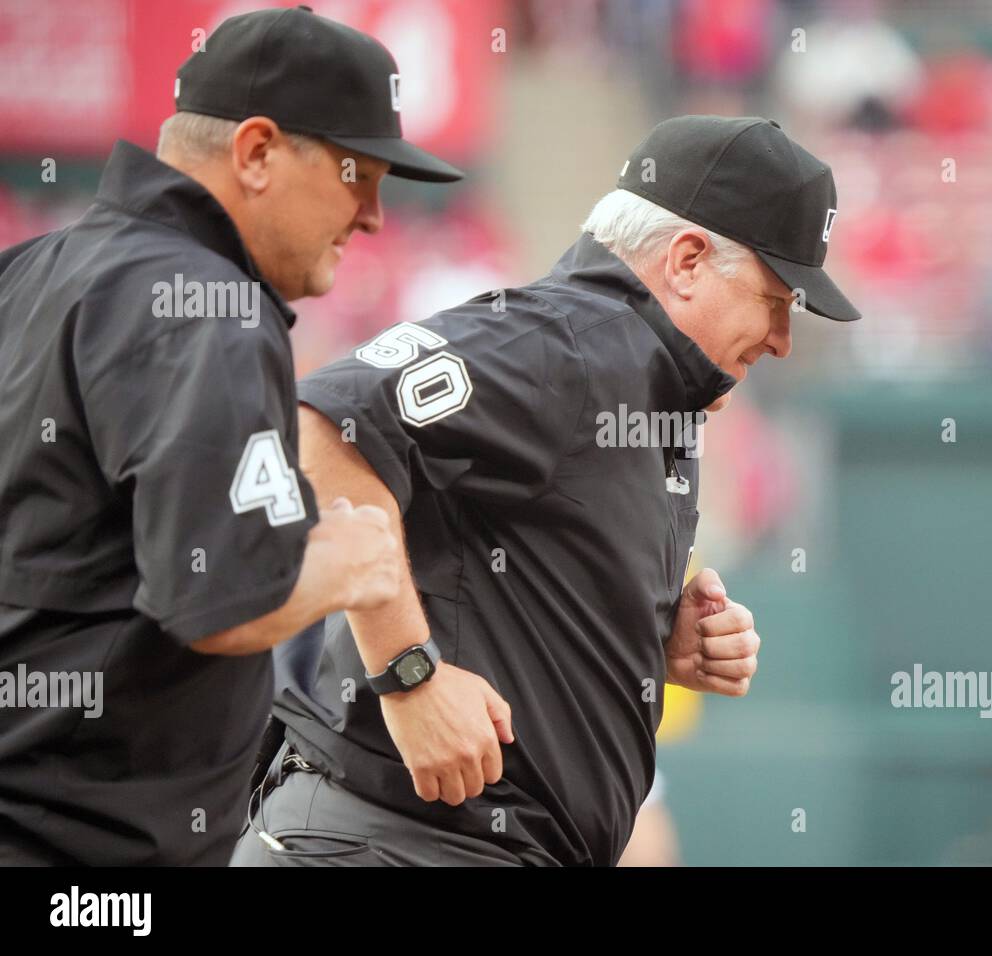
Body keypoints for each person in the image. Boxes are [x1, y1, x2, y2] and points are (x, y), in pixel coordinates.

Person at [231, 115, 859, 866]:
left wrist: (648, 638)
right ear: (687, 261)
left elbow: (490, 581)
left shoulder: (643, 383)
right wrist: (408, 673)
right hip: (393, 842)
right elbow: (321, 431)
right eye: (777, 298)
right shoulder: (568, 339)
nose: (784, 338)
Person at [0, 6, 463, 865]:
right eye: (357, 173)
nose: (371, 216)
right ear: (256, 152)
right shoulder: (206, 305)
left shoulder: (32, 271)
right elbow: (224, 598)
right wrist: (356, 562)